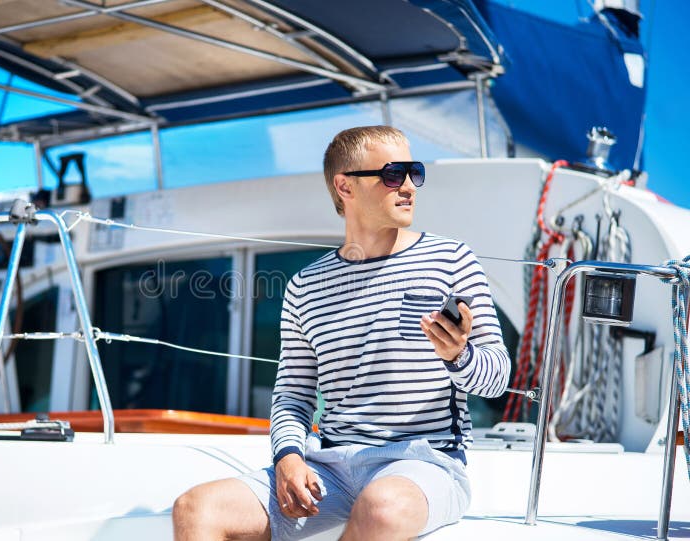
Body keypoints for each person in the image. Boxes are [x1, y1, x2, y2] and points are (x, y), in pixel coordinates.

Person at [172, 125, 511, 540]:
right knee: (195, 509)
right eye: (392, 174)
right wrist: (289, 456)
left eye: (414, 172)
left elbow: (498, 379)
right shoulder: (305, 287)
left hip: (425, 463)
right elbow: (293, 394)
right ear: (344, 186)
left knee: (381, 509)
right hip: (329, 465)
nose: (408, 186)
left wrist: (460, 356)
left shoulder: (452, 260)